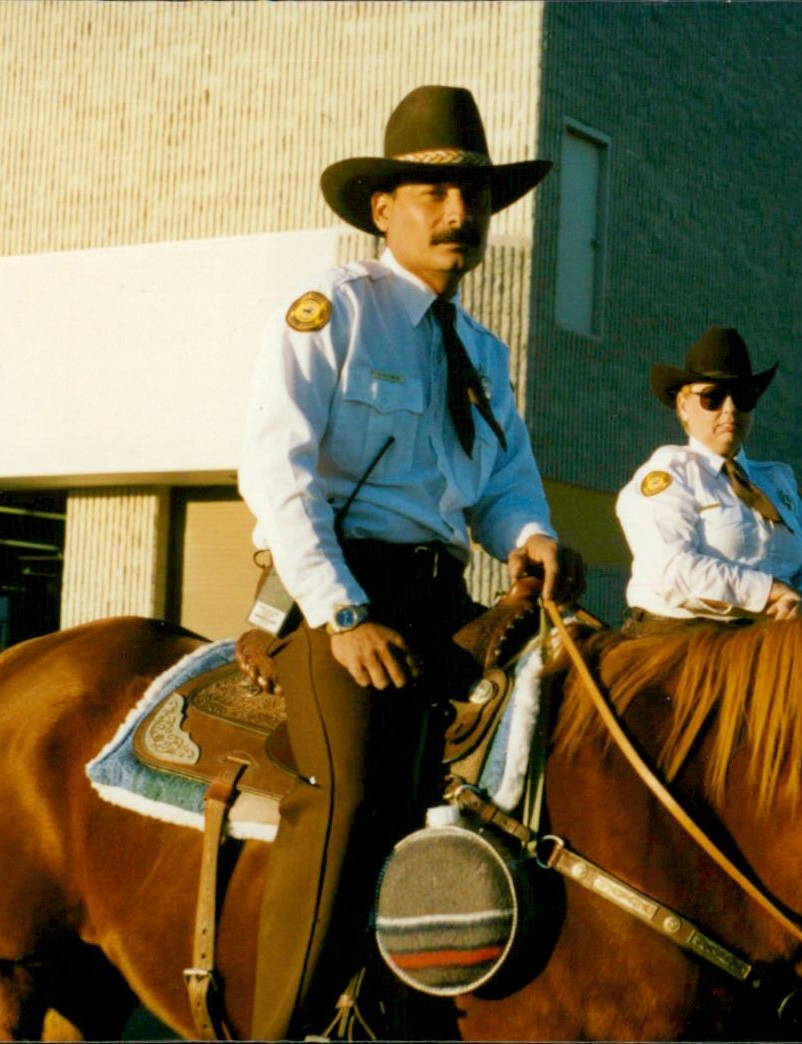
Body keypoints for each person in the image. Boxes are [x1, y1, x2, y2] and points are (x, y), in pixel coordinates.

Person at [238, 85, 583, 1039]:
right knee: (348, 804)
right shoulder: (334, 313)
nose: (457, 211)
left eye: (471, 193)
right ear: (382, 209)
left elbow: (502, 487)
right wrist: (343, 617)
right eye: (431, 192)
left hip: (446, 600)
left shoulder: (480, 350)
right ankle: (288, 1030)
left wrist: (531, 539)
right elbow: (278, 471)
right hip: (342, 591)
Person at [616, 326, 802, 636]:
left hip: (778, 642)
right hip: (681, 643)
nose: (730, 409)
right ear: (684, 406)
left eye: (744, 396)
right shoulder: (670, 474)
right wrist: (770, 591)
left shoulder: (778, 481)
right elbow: (671, 571)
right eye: (713, 397)